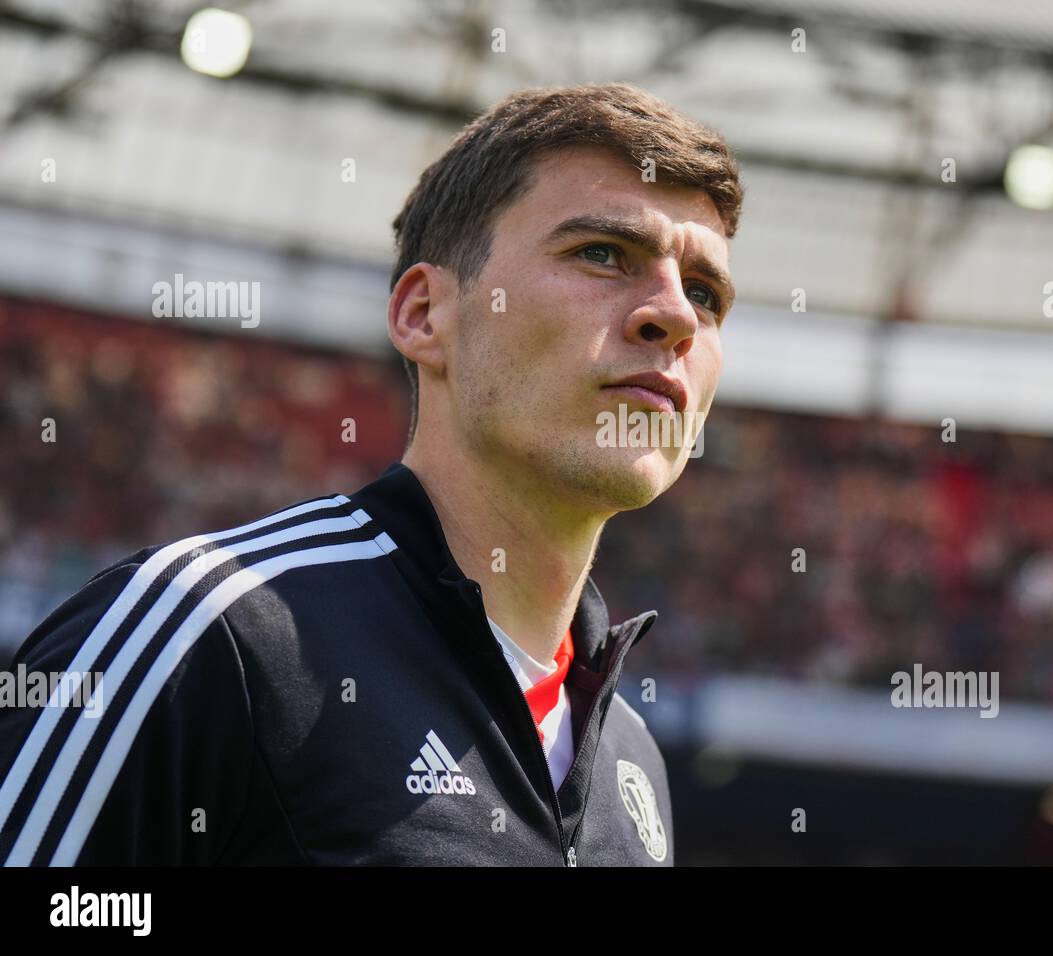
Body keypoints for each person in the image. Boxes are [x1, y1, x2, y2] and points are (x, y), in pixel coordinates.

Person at [0, 82, 743, 866]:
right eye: (601, 253)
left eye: (706, 293)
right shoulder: (207, 635)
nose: (675, 316)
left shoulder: (635, 762)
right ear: (425, 315)